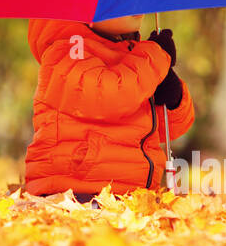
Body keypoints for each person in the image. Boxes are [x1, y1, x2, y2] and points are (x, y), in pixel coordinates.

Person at [24, 15, 193, 202]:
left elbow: (169, 130)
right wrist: (154, 56)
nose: (135, 7)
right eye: (121, 0)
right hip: (75, 192)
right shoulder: (67, 50)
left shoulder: (134, 56)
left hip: (129, 195)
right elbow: (105, 96)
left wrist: (173, 95)